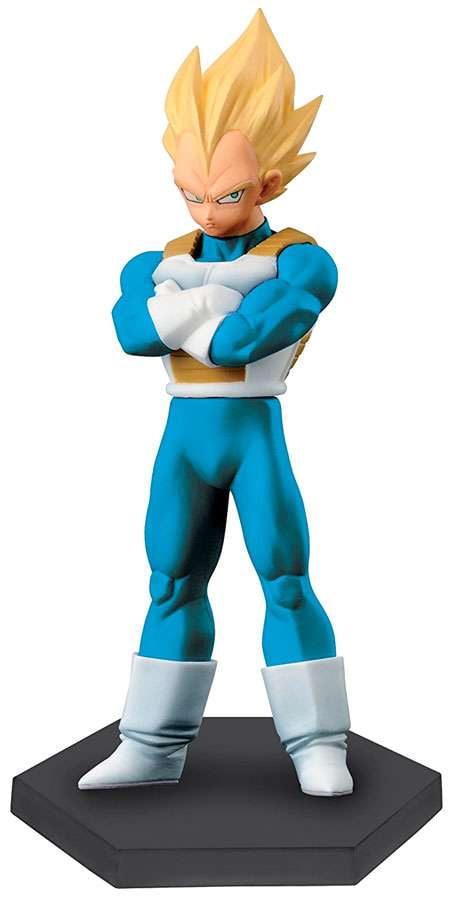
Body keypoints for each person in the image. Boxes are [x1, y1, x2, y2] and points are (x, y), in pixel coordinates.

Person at [78, 9, 353, 797]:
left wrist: (182, 312)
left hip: (252, 432)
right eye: (187, 193)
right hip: (184, 437)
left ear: (269, 183)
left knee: (285, 579)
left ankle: (317, 742)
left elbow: (241, 344)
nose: (203, 211)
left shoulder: (301, 260)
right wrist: (201, 311)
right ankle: (151, 745)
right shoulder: (154, 258)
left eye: (223, 194)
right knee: (169, 581)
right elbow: (129, 333)